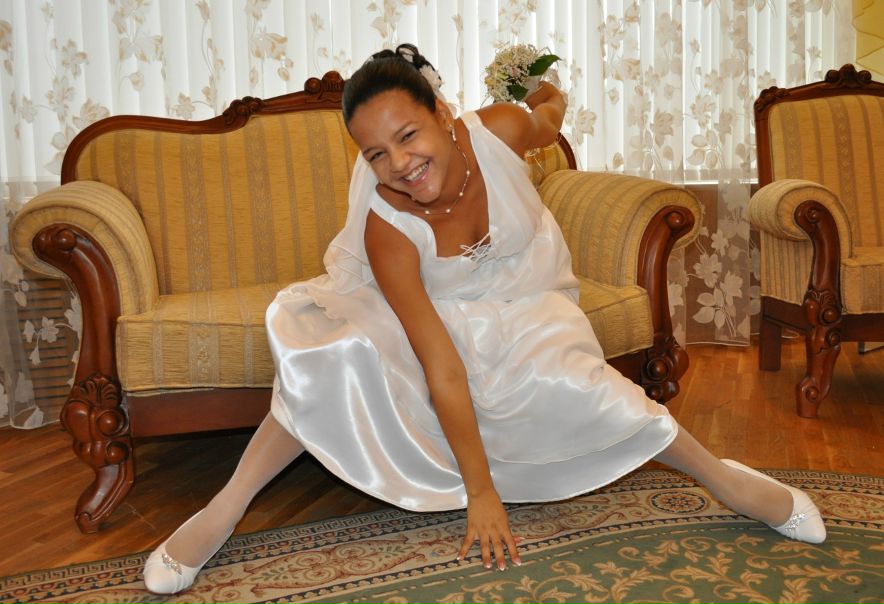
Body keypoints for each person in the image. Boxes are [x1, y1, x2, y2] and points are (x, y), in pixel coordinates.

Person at [143, 44, 825, 594]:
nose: (399, 164)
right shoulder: (386, 229)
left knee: (580, 384)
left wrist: (536, 82)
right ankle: (225, 507)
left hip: (526, 298)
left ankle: (723, 477)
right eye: (376, 154)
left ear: (443, 114)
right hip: (432, 314)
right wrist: (482, 493)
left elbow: (550, 114)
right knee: (331, 354)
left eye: (408, 135)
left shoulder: (499, 131)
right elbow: (441, 363)